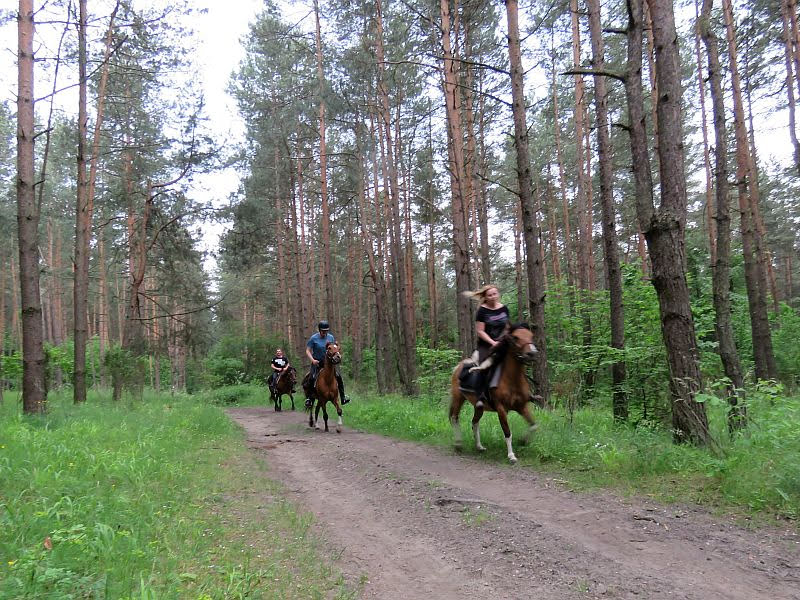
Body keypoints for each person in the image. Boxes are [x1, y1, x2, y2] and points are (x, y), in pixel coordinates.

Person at [459, 284, 510, 409]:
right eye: (490, 295)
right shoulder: (482, 311)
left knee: (517, 358)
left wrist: (506, 338)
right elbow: (480, 331)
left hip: (503, 343)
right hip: (486, 345)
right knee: (483, 367)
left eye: (495, 294)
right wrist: (493, 342)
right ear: (485, 297)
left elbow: (507, 326)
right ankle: (480, 396)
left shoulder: (504, 309)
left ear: (498, 294)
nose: (493, 297)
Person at [304, 320, 350, 408]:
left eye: (326, 331)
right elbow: (308, 350)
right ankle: (309, 399)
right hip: (317, 362)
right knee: (312, 378)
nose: (325, 332)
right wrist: (312, 360)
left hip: (328, 363)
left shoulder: (331, 337)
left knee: (339, 377)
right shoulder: (314, 338)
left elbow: (333, 348)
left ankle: (343, 397)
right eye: (323, 331)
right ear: (319, 330)